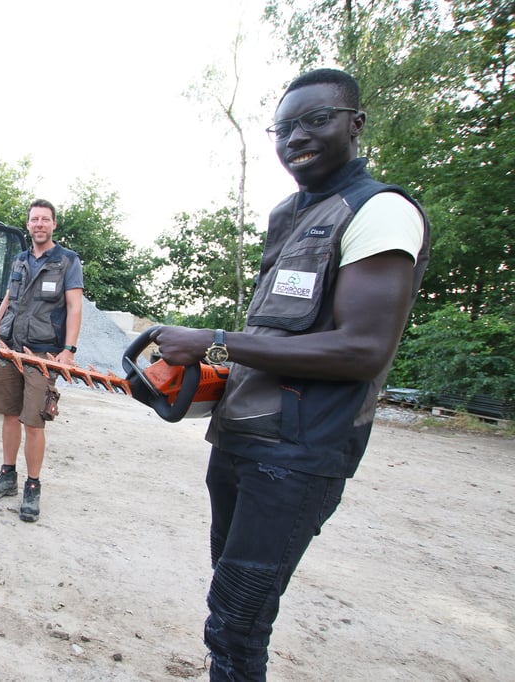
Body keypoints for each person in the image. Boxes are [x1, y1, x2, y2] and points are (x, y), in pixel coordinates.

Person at [152, 68, 430, 680]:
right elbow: (279, 337)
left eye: (315, 119)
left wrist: (217, 340)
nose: (294, 138)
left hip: (300, 455)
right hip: (241, 441)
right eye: (283, 127)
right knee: (226, 591)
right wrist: (208, 374)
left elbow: (362, 348)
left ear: (355, 124)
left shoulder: (379, 211)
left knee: (238, 619)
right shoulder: (290, 215)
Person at [0, 198, 83, 522]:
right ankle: (7, 475)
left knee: (33, 422)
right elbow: (8, 299)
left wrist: (69, 350)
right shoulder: (20, 260)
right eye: (34, 219)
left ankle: (33, 487)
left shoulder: (67, 261)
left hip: (42, 354)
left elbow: (75, 307)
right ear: (28, 224)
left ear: (54, 224)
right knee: (9, 416)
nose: (39, 224)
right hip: (10, 349)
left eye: (45, 219)